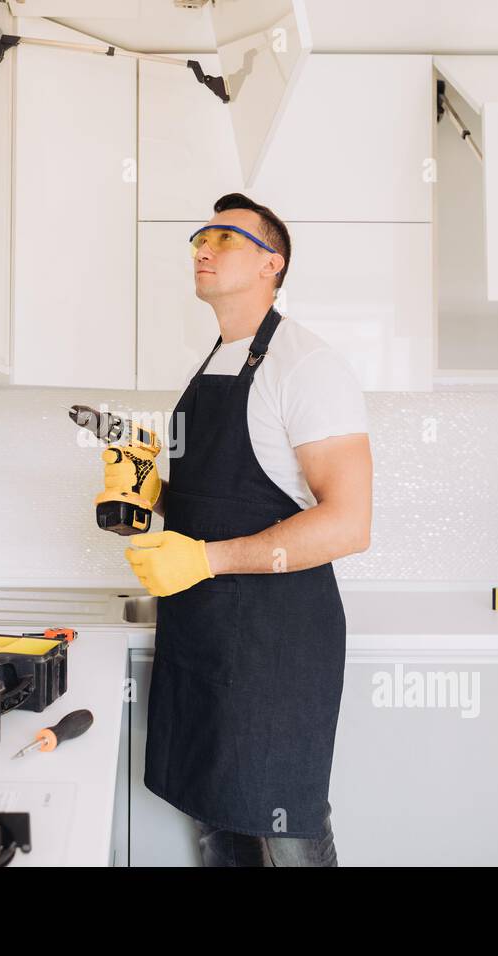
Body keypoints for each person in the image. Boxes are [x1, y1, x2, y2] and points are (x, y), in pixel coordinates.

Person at [122, 192, 373, 867]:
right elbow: (217, 500)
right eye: (201, 236)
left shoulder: (306, 365)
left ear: (273, 263)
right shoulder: (215, 360)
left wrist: (204, 560)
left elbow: (348, 524)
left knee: (282, 831)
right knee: (216, 824)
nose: (205, 247)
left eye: (227, 237)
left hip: (275, 647)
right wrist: (152, 494)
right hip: (202, 637)